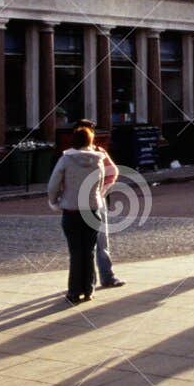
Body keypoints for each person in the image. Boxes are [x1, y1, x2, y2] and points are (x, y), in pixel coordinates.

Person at [47, 124, 114, 304]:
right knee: (89, 251)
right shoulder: (98, 160)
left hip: (72, 211)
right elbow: (102, 183)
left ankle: (74, 292)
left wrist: (54, 201)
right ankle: (89, 289)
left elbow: (52, 185)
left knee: (75, 252)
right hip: (92, 210)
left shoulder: (65, 160)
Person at [74, 122, 126, 290]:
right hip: (88, 202)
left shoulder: (90, 152)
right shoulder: (77, 154)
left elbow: (113, 171)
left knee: (93, 242)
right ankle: (97, 279)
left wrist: (101, 190)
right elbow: (113, 172)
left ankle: (97, 279)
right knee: (94, 242)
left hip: (86, 202)